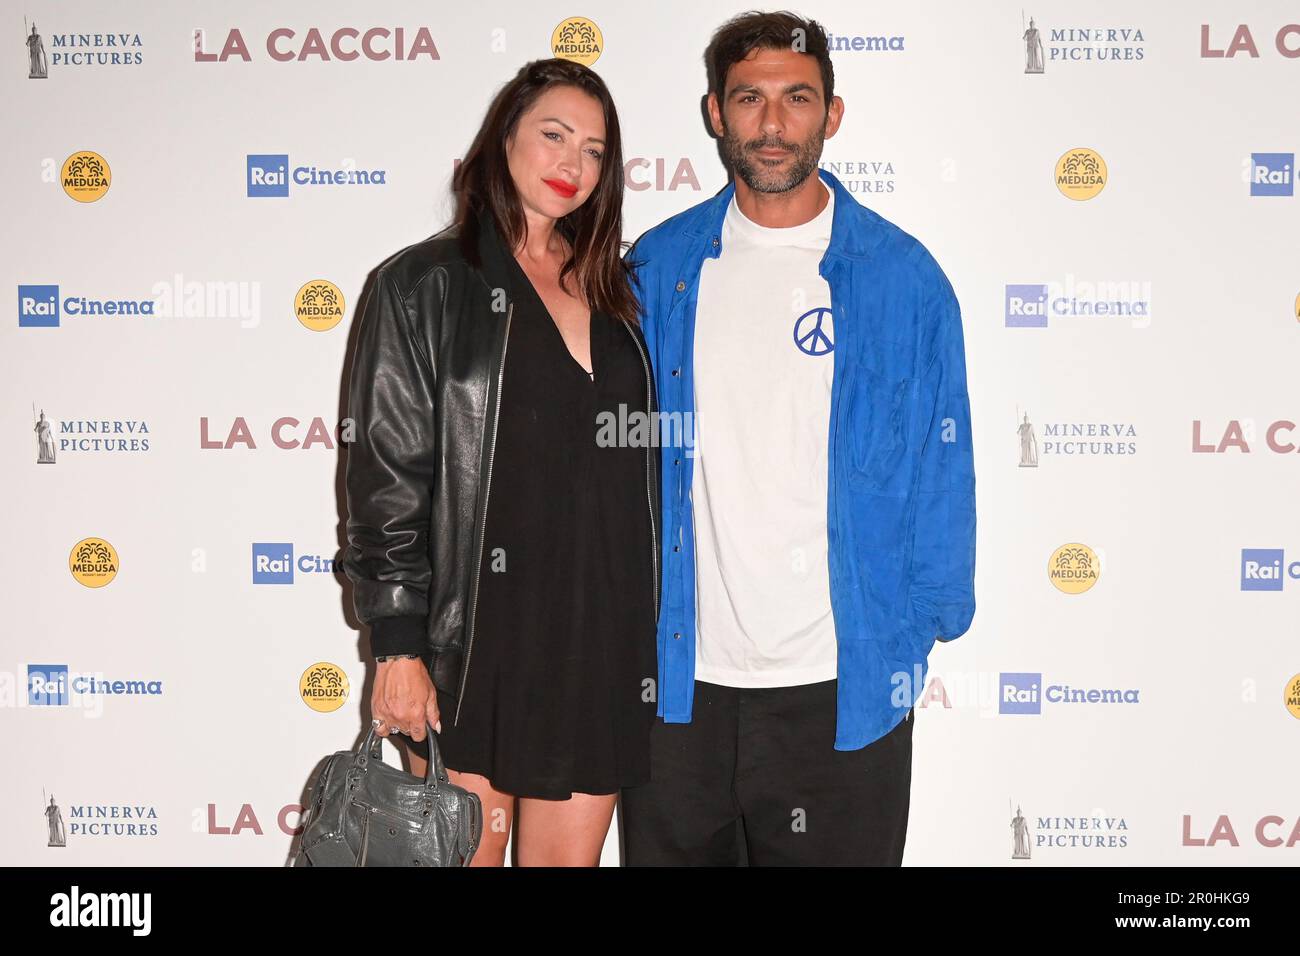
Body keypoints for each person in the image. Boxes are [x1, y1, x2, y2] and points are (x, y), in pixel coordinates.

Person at [620, 11, 976, 865]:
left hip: (842, 691)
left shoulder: (904, 279)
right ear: (715, 112)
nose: (772, 125)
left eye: (796, 99)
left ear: (833, 114)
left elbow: (943, 463)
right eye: (750, 99)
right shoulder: (657, 268)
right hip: (679, 693)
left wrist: (913, 631)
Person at [341, 57, 659, 867]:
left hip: (599, 643)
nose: (572, 165)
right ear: (502, 139)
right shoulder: (422, 287)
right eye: (554, 136)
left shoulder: (616, 293)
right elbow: (386, 481)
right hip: (472, 650)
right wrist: (399, 646)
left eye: (593, 150)